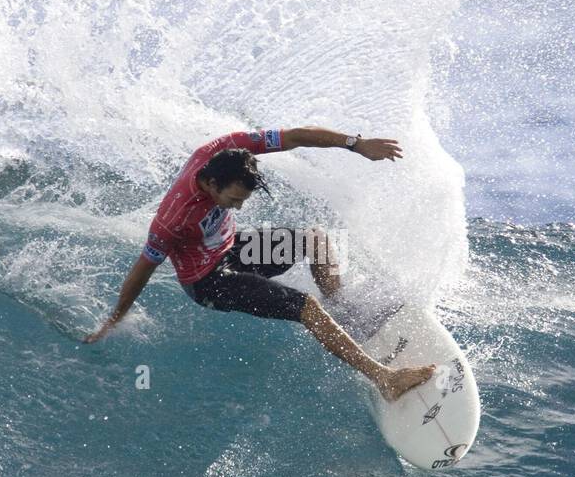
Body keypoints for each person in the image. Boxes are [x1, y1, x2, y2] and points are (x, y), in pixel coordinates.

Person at [84, 126, 434, 401]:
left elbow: (295, 136)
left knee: (315, 239)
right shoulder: (173, 218)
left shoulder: (224, 151)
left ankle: (343, 314)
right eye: (233, 199)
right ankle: (385, 379)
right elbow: (143, 268)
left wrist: (355, 144)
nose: (237, 207)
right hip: (209, 280)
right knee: (306, 307)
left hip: (233, 249)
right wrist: (114, 319)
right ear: (210, 183)